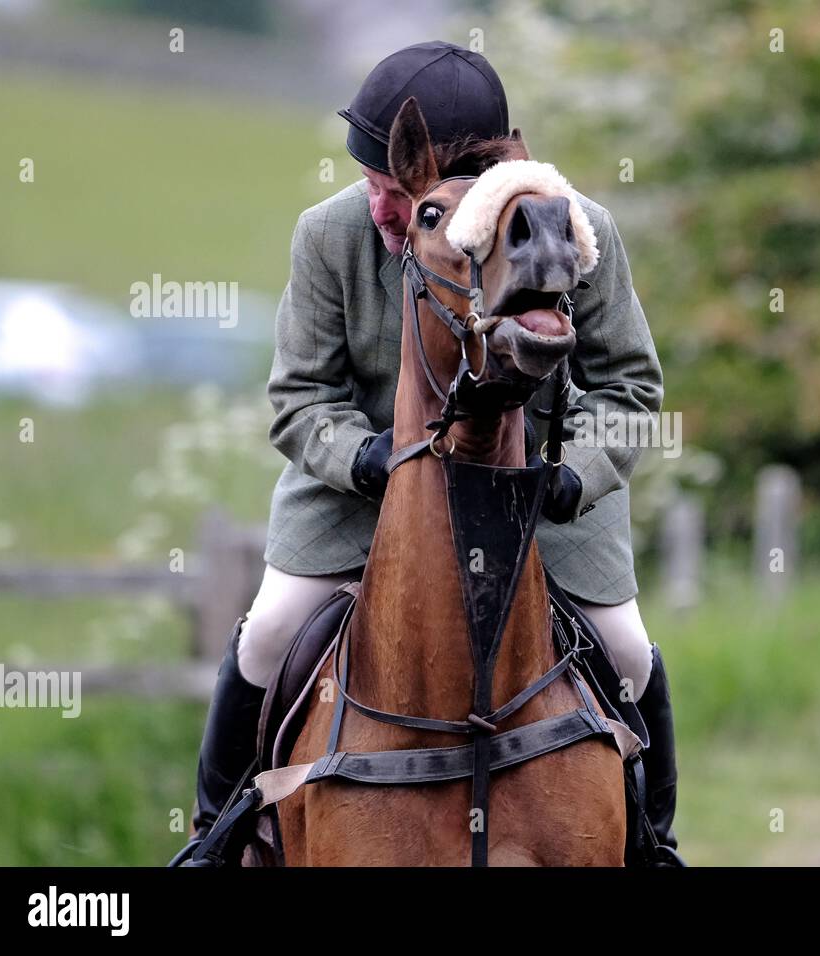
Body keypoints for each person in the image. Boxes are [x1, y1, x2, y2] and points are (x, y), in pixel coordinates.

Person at [171, 41, 681, 866]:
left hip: (540, 499)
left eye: (386, 183)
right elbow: (299, 398)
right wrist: (369, 459)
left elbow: (629, 386)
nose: (377, 200)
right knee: (267, 634)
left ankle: (653, 844)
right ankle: (216, 837)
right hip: (359, 501)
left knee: (625, 646)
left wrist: (574, 477)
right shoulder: (328, 235)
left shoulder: (575, 232)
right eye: (375, 182)